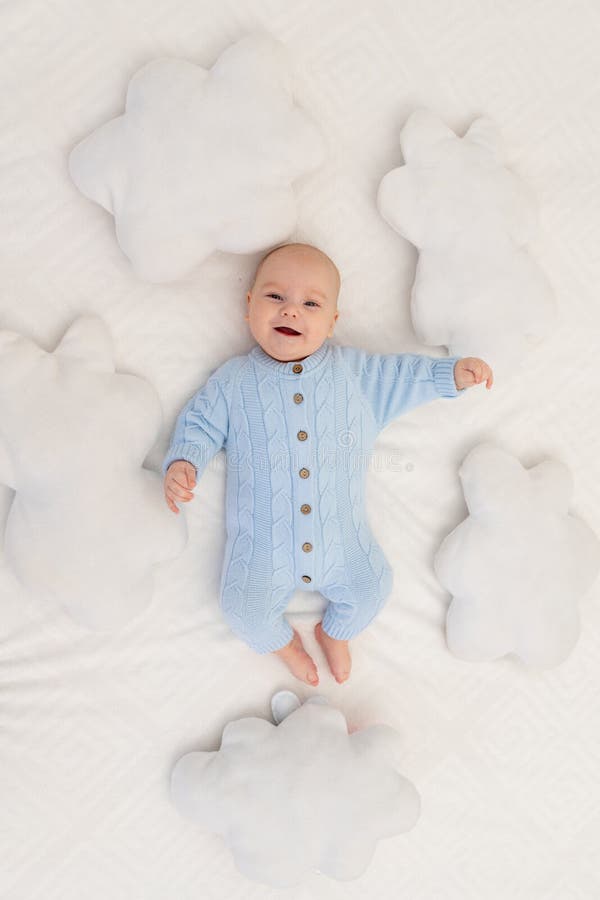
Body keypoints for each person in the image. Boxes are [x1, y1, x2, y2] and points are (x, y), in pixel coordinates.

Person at [162, 243, 493, 686]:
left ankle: (334, 632)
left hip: (343, 545)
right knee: (242, 608)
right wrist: (185, 461)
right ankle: (284, 645)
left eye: (310, 303)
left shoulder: (354, 376)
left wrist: (450, 375)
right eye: (275, 297)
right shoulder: (234, 382)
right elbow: (200, 422)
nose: (291, 312)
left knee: (373, 588)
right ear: (249, 305)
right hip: (263, 550)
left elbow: (404, 377)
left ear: (333, 321)